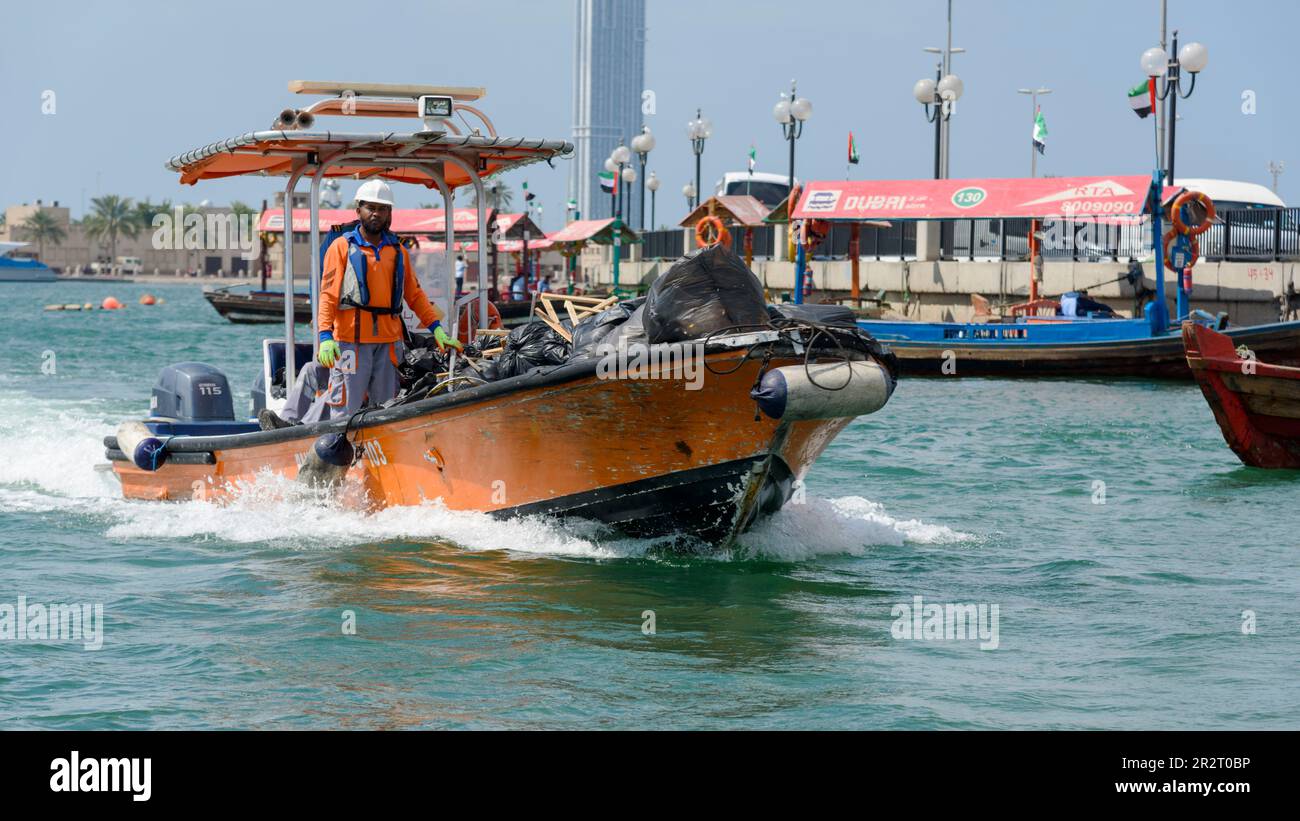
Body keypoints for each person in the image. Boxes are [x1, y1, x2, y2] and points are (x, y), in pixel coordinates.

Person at [259, 179, 462, 429]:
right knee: (344, 409)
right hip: (349, 344)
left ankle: (379, 461)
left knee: (387, 410)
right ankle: (326, 451)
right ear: (359, 211)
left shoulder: (398, 252)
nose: (376, 213)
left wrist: (437, 329)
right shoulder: (341, 247)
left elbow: (415, 295)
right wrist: (324, 336)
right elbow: (328, 296)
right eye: (370, 207)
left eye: (382, 208)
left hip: (387, 346)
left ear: (390, 213)